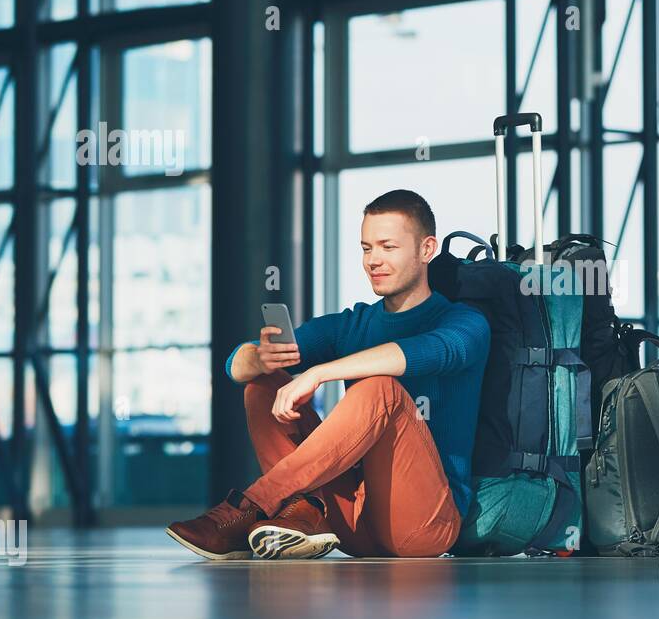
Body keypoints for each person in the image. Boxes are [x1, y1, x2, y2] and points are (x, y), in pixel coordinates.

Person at [167, 189, 490, 561]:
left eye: (388, 247)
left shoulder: (465, 323)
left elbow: (420, 353)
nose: (374, 261)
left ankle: (255, 503)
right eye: (367, 248)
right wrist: (261, 358)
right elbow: (234, 365)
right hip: (353, 522)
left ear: (426, 249)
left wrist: (320, 372)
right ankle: (305, 511)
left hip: (423, 526)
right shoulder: (353, 323)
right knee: (263, 387)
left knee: (380, 388)